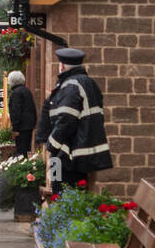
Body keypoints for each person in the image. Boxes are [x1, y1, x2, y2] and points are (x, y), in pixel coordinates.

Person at [43, 47, 112, 193]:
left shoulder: (70, 85)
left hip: (65, 154)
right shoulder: (89, 83)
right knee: (78, 194)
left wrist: (51, 145)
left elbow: (66, 119)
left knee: (58, 192)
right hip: (82, 154)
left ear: (62, 65)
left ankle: (59, 215)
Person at [7, 69, 38, 156]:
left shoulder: (16, 93)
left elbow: (16, 111)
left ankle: (21, 167)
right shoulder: (26, 90)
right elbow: (32, 107)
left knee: (21, 150)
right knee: (26, 148)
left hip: (21, 126)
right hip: (29, 125)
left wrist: (15, 128)